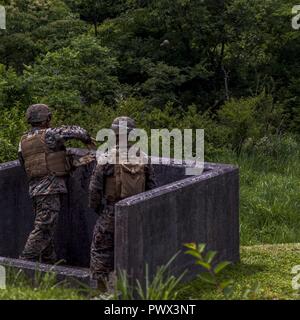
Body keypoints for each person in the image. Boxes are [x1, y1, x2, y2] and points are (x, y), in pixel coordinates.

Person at [19, 104, 94, 264]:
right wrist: (87, 139)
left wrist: (69, 164)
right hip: (49, 189)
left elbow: (25, 164)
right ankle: (23, 264)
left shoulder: (23, 141)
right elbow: (76, 131)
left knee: (46, 227)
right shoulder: (49, 134)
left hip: (35, 190)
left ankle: (50, 264)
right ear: (46, 118)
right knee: (44, 228)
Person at [88, 117, 157, 288]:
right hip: (136, 212)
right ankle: (134, 288)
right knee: (135, 250)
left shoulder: (106, 157)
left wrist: (99, 209)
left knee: (101, 249)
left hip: (112, 211)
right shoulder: (143, 157)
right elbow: (152, 187)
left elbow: (94, 190)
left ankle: (101, 289)